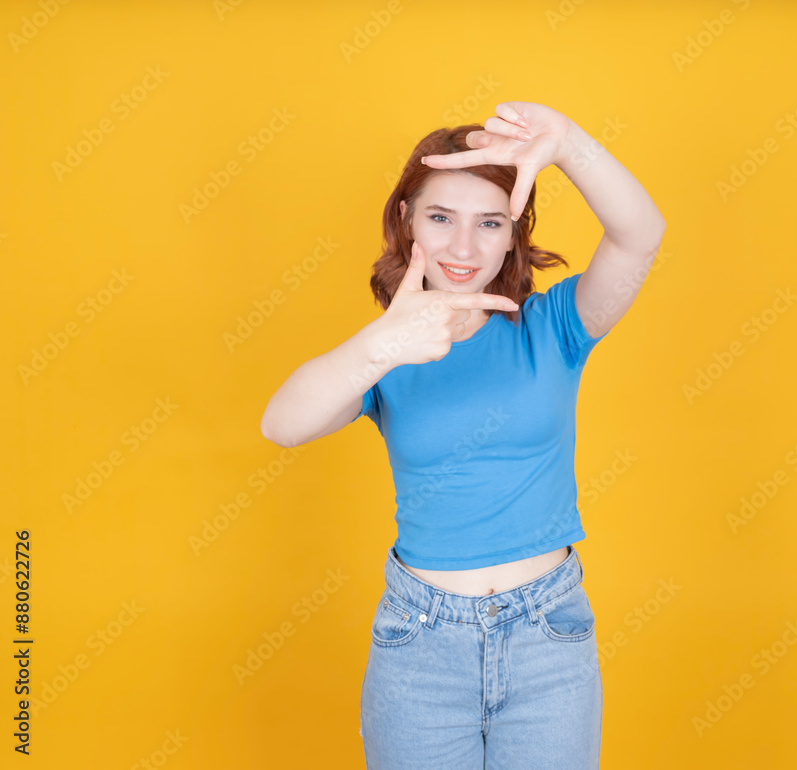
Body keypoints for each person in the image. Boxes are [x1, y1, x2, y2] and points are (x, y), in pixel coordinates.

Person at [260, 100, 665, 768]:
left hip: (547, 636)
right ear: (406, 220)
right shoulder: (386, 355)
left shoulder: (553, 327)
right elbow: (281, 425)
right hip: (420, 645)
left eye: (490, 223)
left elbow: (641, 236)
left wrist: (567, 143)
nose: (464, 247)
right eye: (441, 218)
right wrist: (383, 342)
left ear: (513, 235)